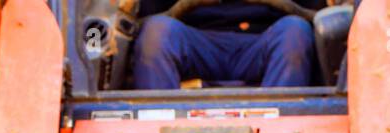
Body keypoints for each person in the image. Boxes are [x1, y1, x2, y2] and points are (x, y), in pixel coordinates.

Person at [133, 1, 326, 90]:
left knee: (295, 30)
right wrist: (183, 6)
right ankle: (157, 129)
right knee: (157, 31)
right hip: (196, 42)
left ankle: (283, 132)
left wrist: (285, 5)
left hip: (263, 41)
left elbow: (320, 17)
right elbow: (138, 23)